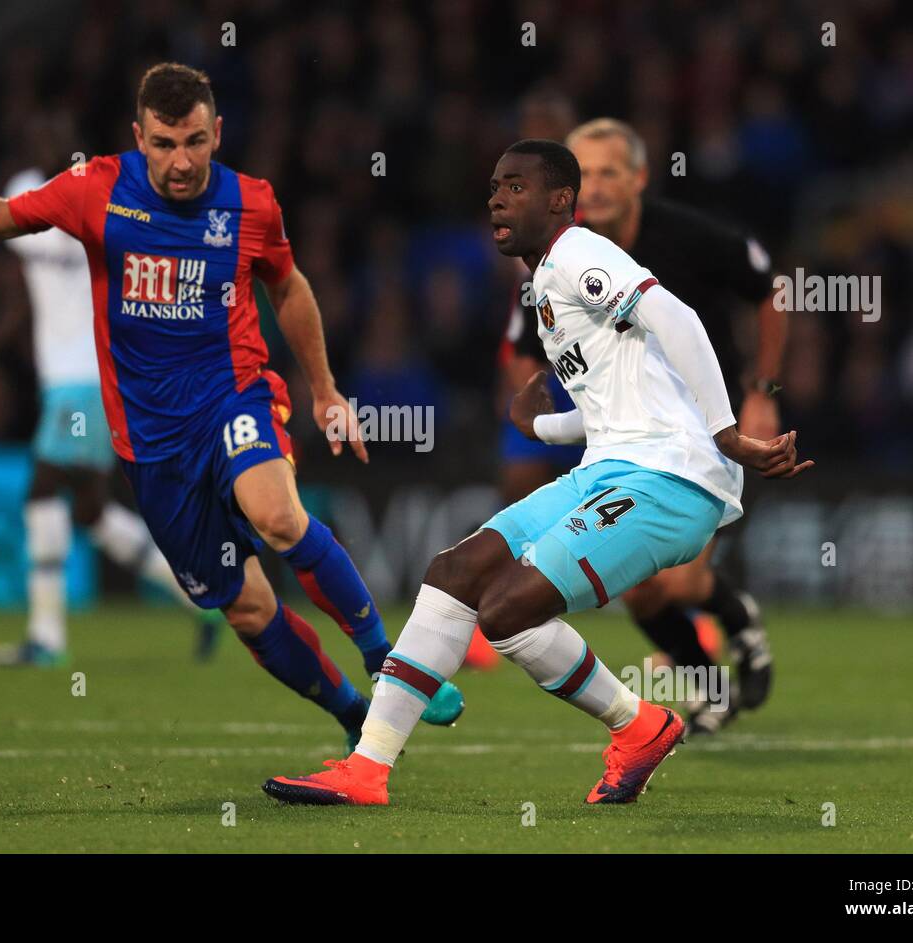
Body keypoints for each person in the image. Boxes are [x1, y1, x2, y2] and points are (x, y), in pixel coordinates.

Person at [0, 63, 463, 749]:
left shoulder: (251, 203)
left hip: (233, 396)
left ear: (217, 132)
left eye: (197, 141)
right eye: (166, 144)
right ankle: (355, 716)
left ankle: (388, 659)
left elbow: (288, 289)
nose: (182, 161)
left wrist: (323, 389)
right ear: (138, 136)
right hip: (150, 442)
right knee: (249, 609)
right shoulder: (96, 191)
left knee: (277, 513)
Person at [263, 140, 810, 806]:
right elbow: (613, 402)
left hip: (668, 477)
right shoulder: (545, 284)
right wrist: (539, 428)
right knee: (455, 572)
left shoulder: (581, 253)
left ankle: (638, 725)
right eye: (495, 186)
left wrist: (727, 431)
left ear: (560, 201)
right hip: (610, 464)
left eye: (517, 187)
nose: (497, 197)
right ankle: (368, 767)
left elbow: (678, 316)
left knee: (508, 612)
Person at [511, 119, 786, 731]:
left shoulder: (689, 237)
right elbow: (524, 351)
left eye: (611, 171)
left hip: (704, 435)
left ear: (639, 178)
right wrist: (543, 418)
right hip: (618, 440)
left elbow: (772, 289)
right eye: (588, 174)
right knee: (639, 590)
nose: (598, 187)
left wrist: (761, 391)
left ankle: (734, 617)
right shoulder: (552, 260)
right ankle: (710, 687)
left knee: (680, 583)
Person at [0, 114, 225, 666]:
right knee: (93, 512)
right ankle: (202, 598)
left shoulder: (108, 201)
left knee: (41, 491)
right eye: (41, 137)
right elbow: (23, 294)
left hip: (94, 373)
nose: (53, 146)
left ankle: (46, 638)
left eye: (62, 140)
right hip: (64, 375)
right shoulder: (24, 193)